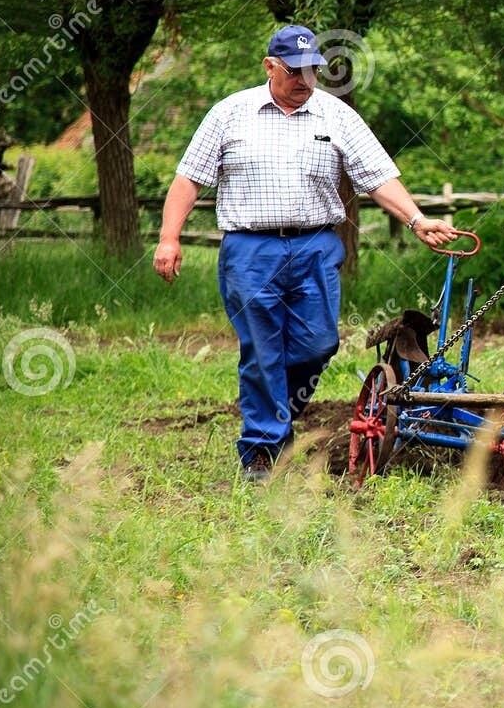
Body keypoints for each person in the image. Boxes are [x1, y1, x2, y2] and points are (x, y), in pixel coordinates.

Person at [153, 24, 460, 482]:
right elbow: (188, 179)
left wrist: (417, 220)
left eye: (312, 71)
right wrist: (169, 237)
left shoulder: (335, 115)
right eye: (294, 71)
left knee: (319, 343)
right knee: (261, 349)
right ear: (270, 67)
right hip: (249, 248)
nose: (304, 80)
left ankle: (277, 417)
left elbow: (376, 176)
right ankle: (262, 448)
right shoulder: (229, 113)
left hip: (316, 246)